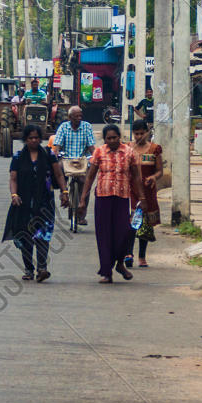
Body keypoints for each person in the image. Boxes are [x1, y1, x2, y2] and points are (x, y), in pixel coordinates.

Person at [81, 124, 145, 283]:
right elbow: (90, 176)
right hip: (103, 197)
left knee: (124, 232)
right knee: (104, 234)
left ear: (119, 137)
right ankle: (106, 271)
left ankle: (120, 263)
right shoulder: (99, 152)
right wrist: (83, 199)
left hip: (122, 197)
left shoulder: (130, 152)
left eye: (114, 137)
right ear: (105, 139)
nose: (112, 141)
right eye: (108, 138)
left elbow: (137, 177)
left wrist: (142, 199)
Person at [3, 125, 67, 282]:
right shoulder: (18, 157)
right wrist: (14, 194)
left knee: (43, 236)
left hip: (45, 202)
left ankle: (42, 268)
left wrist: (65, 193)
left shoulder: (48, 154)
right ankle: (28, 269)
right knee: (26, 237)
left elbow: (58, 174)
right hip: (24, 203)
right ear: (25, 139)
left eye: (37, 137)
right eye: (30, 138)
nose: (34, 140)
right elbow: (13, 178)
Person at [51, 104, 96, 224]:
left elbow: (91, 147)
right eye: (76, 116)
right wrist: (54, 156)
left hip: (82, 159)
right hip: (66, 158)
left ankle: (81, 215)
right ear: (70, 117)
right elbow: (57, 146)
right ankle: (63, 192)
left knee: (85, 183)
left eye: (81, 115)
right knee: (58, 168)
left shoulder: (87, 127)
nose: (79, 118)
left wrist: (97, 158)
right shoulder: (63, 127)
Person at [129, 118, 164, 268]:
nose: (139, 137)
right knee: (130, 224)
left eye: (142, 133)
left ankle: (142, 256)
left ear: (147, 133)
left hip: (148, 191)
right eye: (136, 134)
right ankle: (128, 254)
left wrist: (153, 178)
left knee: (145, 225)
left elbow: (160, 171)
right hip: (131, 191)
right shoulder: (128, 149)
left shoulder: (154, 149)